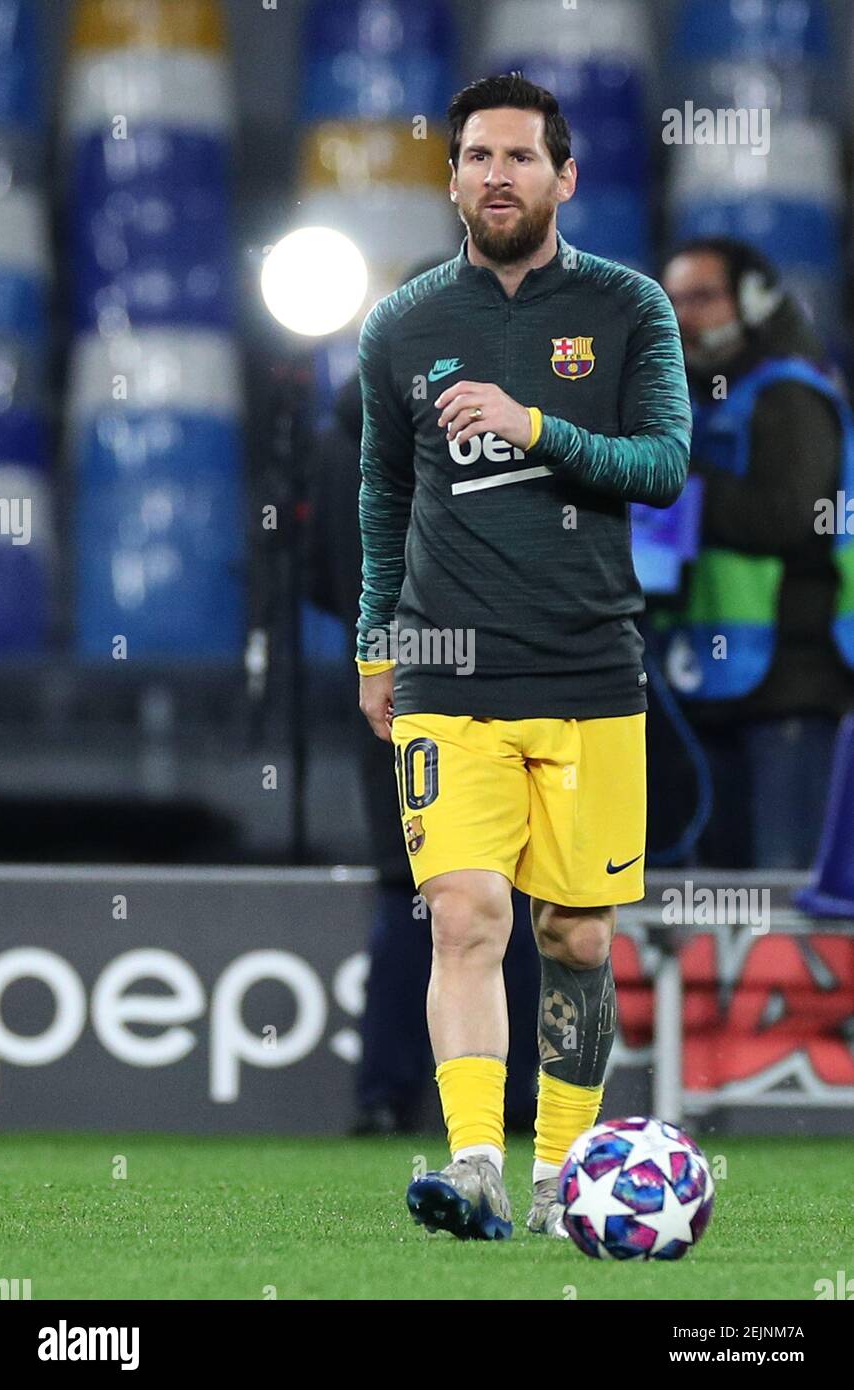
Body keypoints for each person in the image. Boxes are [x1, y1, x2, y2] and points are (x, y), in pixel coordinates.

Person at [355, 73, 691, 1240]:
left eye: (517, 157)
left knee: (575, 936)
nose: (494, 174)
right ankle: (476, 1165)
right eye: (475, 156)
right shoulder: (401, 323)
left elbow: (660, 465)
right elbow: (380, 490)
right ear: (450, 177)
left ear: (564, 178)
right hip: (450, 672)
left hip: (589, 670)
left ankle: (560, 1181)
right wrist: (371, 638)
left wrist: (532, 424)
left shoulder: (628, 309)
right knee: (462, 916)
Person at [304, 348, 542, 1137]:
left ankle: (386, 1091)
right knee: (494, 894)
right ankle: (509, 1098)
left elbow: (312, 579)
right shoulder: (459, 429)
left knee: (404, 892)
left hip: (385, 690)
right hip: (480, 690)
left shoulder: (337, 437)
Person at [660, 239, 854, 868]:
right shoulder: (688, 404)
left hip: (792, 687)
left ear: (753, 301)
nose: (684, 315)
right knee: (715, 916)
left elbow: (783, 519)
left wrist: (675, 478)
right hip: (710, 683)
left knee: (786, 906)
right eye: (673, 300)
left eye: (703, 297)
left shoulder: (791, 395)